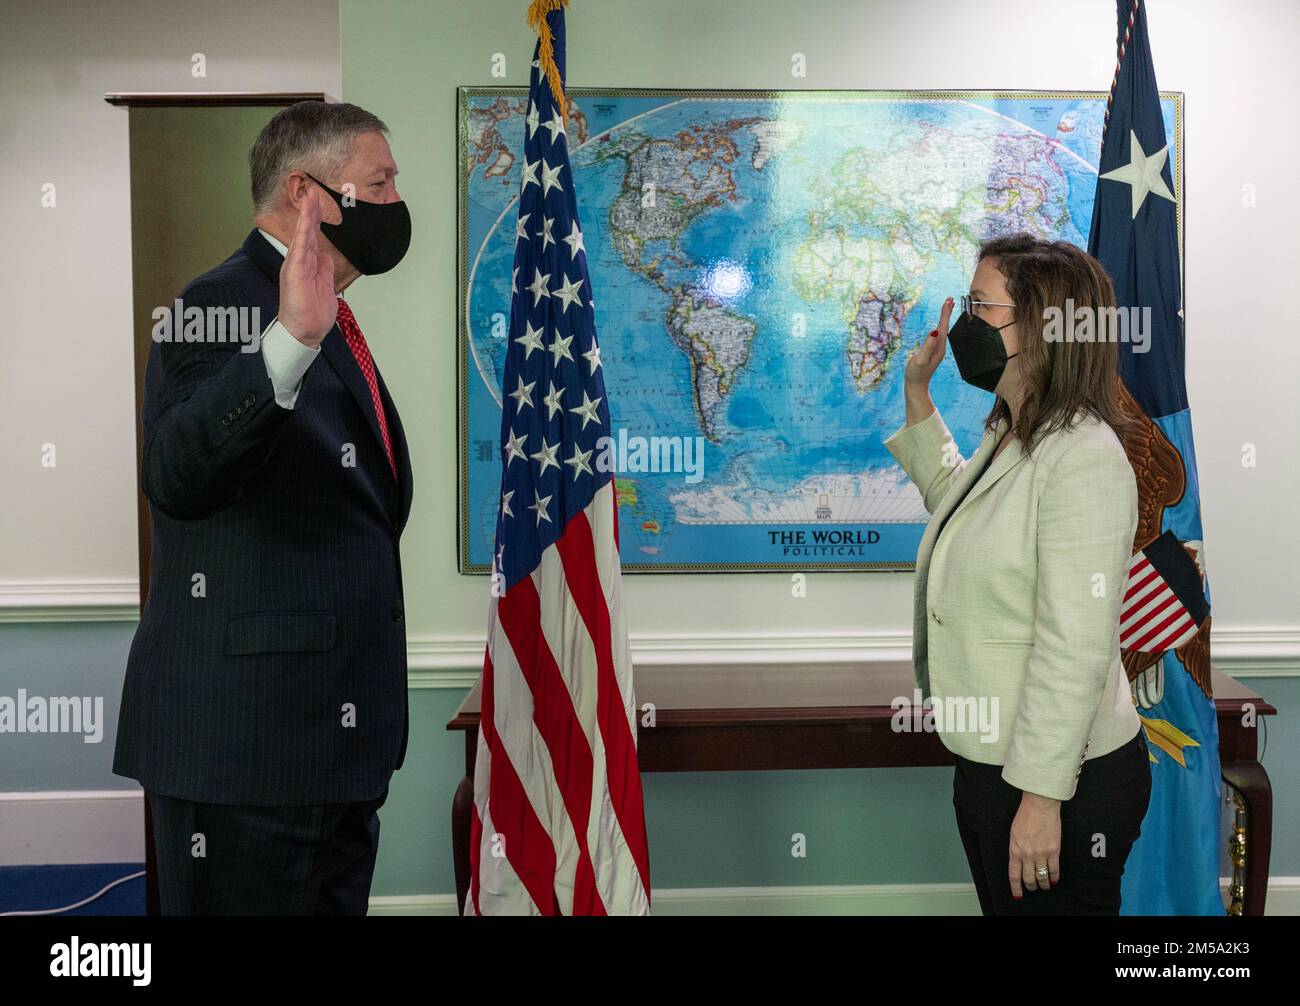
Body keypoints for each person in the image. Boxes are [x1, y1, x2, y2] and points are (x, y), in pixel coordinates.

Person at [112, 101, 414, 914]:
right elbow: (177, 473)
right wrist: (286, 339)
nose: (394, 204)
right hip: (248, 753)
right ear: (304, 191)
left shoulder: (333, 318)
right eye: (378, 183)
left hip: (333, 755)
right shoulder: (218, 304)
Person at [883, 232, 1152, 915]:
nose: (965, 322)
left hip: (1061, 780)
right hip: (993, 762)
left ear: (1039, 327)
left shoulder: (1082, 456)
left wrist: (1040, 800)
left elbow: (1075, 647)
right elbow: (958, 503)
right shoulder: (1012, 429)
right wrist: (918, 390)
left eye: (981, 306)